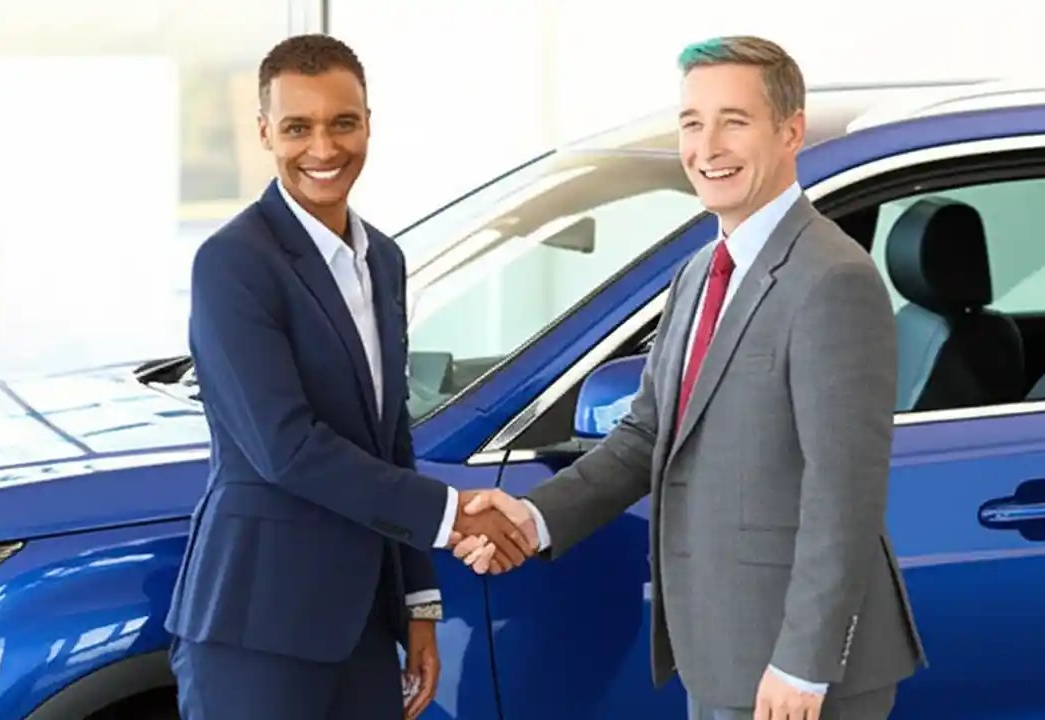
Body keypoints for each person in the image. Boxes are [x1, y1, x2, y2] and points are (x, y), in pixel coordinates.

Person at [454, 35, 927, 720]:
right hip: (721, 650)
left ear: (790, 131)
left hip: (793, 670)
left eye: (734, 120)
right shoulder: (699, 273)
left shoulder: (833, 280)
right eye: (692, 122)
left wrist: (804, 663)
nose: (708, 147)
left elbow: (842, 492)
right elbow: (647, 433)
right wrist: (533, 517)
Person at [164, 33, 533, 720]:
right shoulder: (234, 263)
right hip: (260, 627)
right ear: (265, 132)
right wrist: (452, 514)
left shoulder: (382, 261)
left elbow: (389, 438)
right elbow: (287, 447)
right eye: (298, 128)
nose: (324, 149)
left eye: (343, 123)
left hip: (361, 627)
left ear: (368, 123)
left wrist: (417, 603)